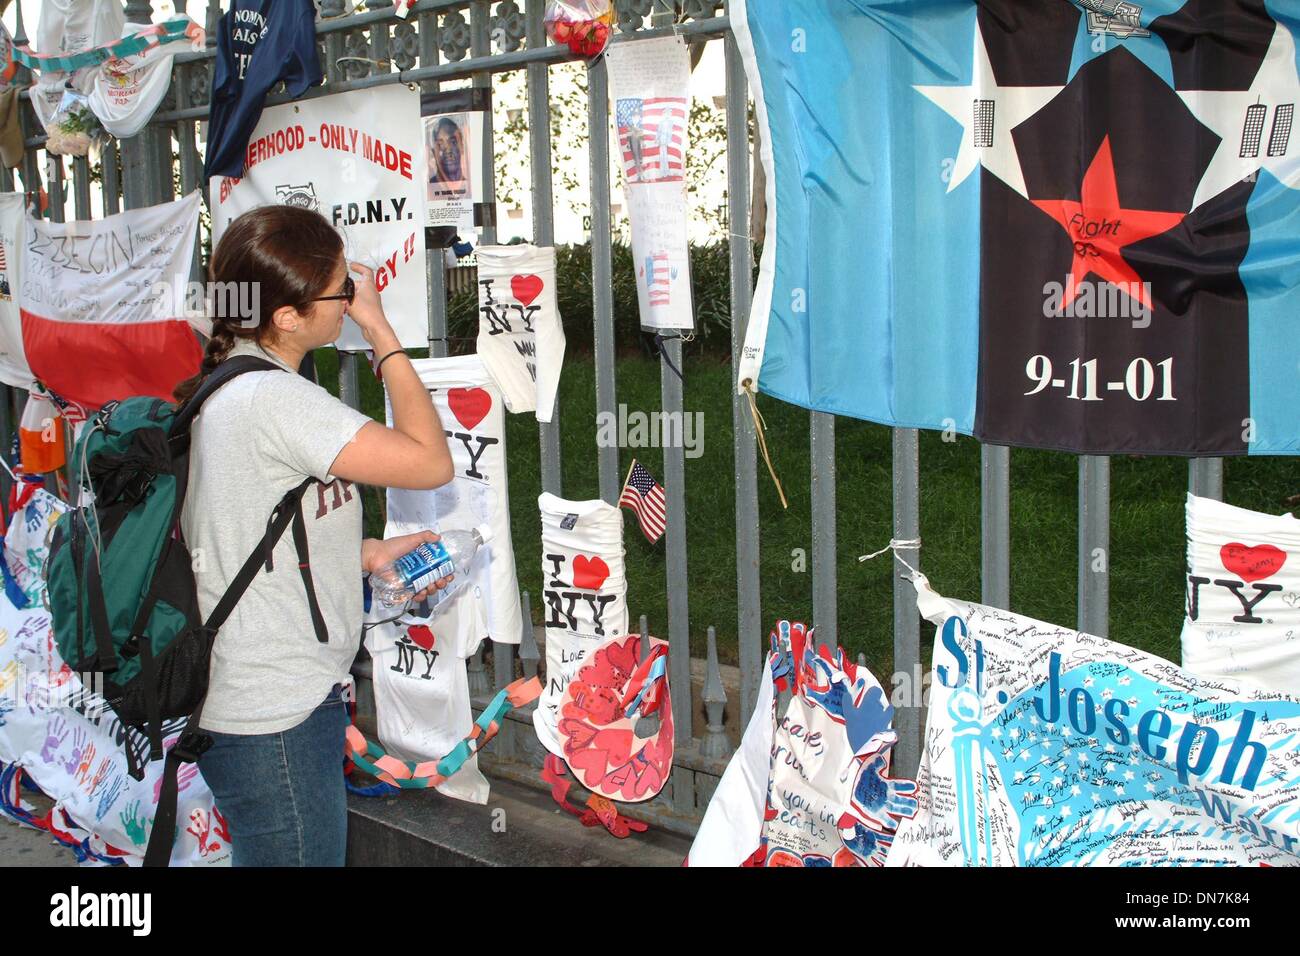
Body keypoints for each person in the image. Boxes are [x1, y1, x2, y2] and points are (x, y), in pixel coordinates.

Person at [173, 205, 455, 867]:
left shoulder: (245, 380)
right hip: (272, 716)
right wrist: (380, 329)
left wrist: (365, 555)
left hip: (265, 702)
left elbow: (251, 532)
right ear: (288, 316)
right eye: (340, 292)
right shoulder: (273, 400)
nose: (350, 300)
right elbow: (429, 459)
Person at [428, 116, 468, 195]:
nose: (448, 150)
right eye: (440, 144)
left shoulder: (471, 185)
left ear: (462, 147)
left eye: (453, 142)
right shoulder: (429, 189)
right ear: (433, 152)